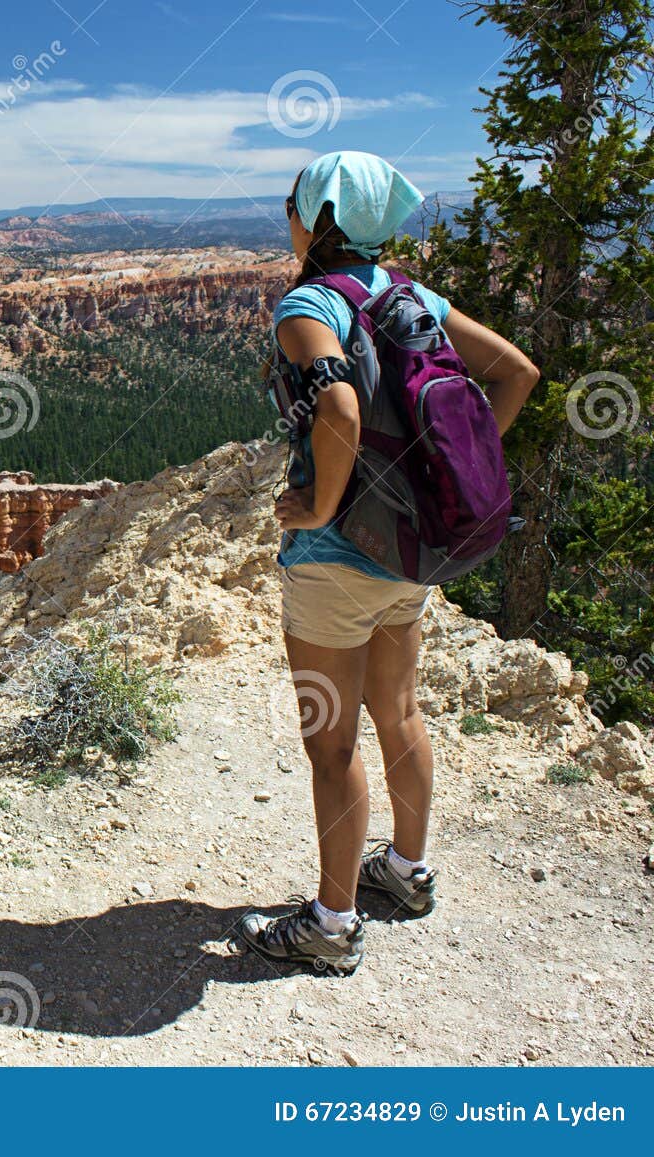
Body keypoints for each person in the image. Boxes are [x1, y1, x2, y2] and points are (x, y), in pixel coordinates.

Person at [237, 151, 539, 976]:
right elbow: (516, 372)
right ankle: (406, 873)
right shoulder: (411, 296)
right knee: (398, 713)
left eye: (294, 203)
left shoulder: (306, 303)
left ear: (319, 216)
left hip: (338, 564)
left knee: (330, 747)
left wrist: (327, 505)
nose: (288, 217)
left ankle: (331, 928)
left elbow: (334, 401)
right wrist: (444, 476)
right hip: (413, 554)